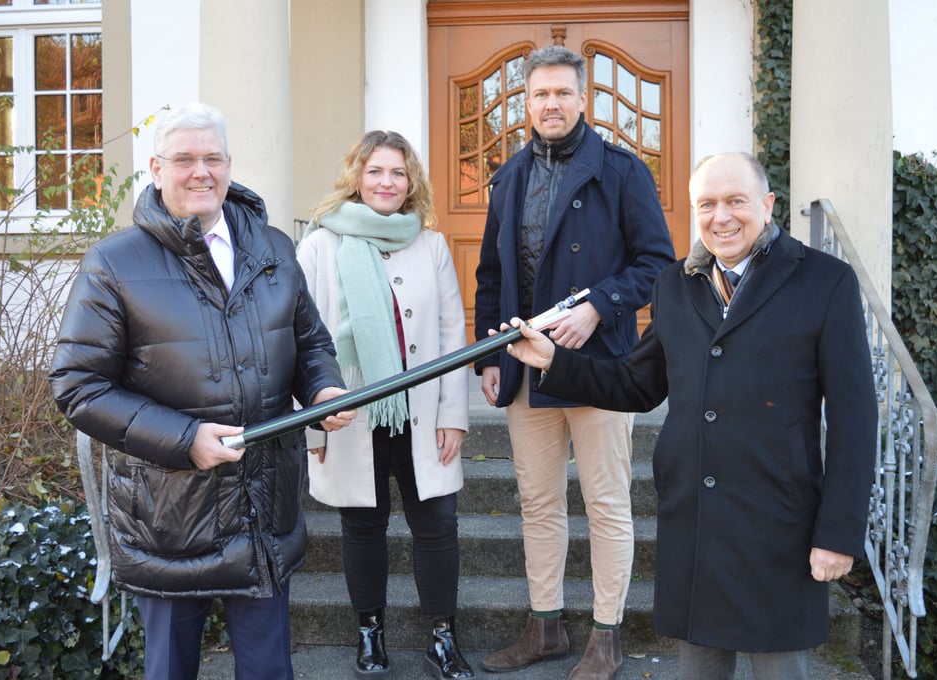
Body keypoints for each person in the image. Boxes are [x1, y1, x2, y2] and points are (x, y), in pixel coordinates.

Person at [496, 151, 878, 680]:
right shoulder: (675, 284)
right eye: (708, 204)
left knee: (780, 668)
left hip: (779, 522)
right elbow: (637, 383)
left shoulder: (824, 281)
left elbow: (856, 416)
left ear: (767, 205)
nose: (721, 216)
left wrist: (838, 532)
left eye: (736, 201)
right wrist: (555, 361)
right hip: (695, 519)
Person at [49, 102, 357, 680]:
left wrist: (322, 390)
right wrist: (185, 438)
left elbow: (310, 342)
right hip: (168, 519)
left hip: (261, 510)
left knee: (269, 670)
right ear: (156, 168)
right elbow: (77, 385)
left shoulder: (272, 248)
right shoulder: (113, 263)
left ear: (229, 165)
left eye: (212, 158)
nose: (201, 172)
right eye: (184, 159)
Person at [473, 44, 676, 679]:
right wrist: (488, 355)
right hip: (525, 368)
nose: (551, 104)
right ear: (525, 102)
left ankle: (607, 636)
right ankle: (545, 629)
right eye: (539, 94)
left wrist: (601, 308)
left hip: (599, 367)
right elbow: (491, 275)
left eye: (563, 93)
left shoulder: (622, 170)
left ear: (583, 98)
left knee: (607, 503)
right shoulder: (507, 176)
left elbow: (657, 266)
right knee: (537, 503)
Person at [296, 130, 474, 680]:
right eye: (375, 171)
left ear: (410, 181)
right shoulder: (320, 245)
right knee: (362, 524)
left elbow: (450, 334)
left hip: (421, 411)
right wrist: (314, 428)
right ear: (357, 177)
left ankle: (442, 638)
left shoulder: (431, 243)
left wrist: (453, 415)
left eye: (397, 173)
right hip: (349, 412)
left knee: (437, 524)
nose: (386, 182)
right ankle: (368, 633)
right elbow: (302, 341)